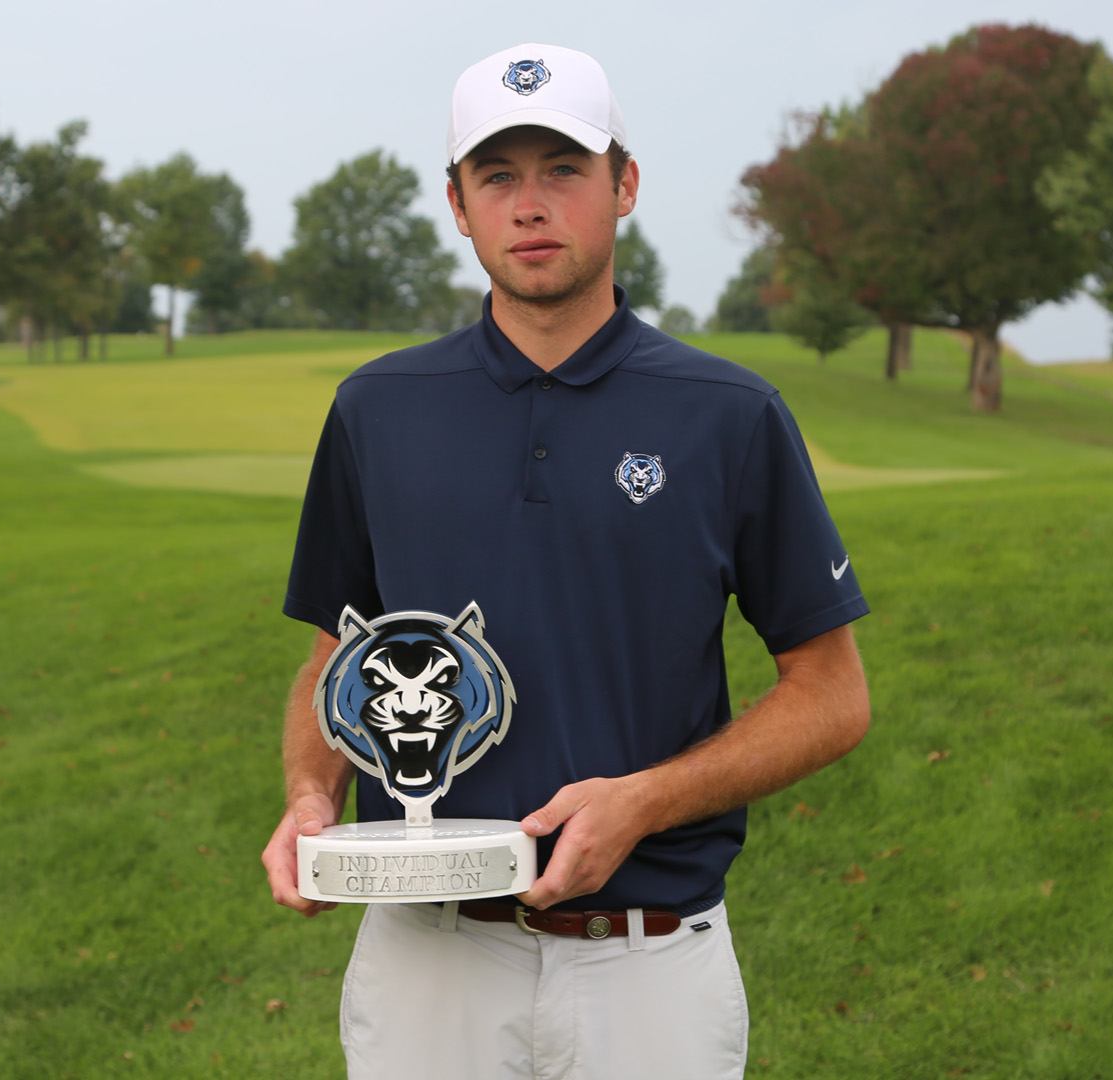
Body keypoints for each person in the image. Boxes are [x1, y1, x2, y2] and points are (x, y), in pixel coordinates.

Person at [260, 42, 872, 1080]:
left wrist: (646, 800)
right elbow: (337, 657)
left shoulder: (728, 415)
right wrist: (311, 797)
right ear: (458, 205)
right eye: (498, 176)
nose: (530, 204)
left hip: (649, 961)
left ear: (624, 185)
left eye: (564, 169)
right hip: (427, 960)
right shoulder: (376, 409)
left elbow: (832, 694)